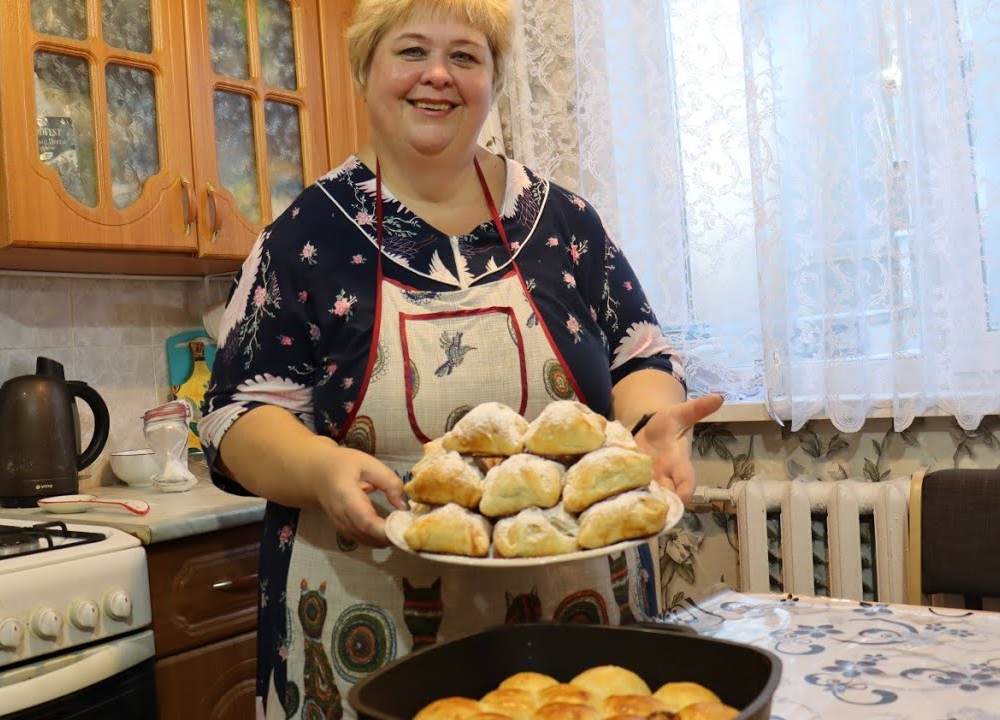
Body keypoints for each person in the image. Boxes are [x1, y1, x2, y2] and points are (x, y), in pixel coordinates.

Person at [200, 0, 723, 716]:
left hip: (573, 622)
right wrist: (321, 470)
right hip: (366, 620)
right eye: (412, 51)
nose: (438, 75)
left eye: (466, 57)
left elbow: (638, 357)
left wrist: (650, 425)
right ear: (366, 69)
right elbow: (238, 415)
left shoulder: (564, 222)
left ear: (493, 81)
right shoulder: (304, 238)